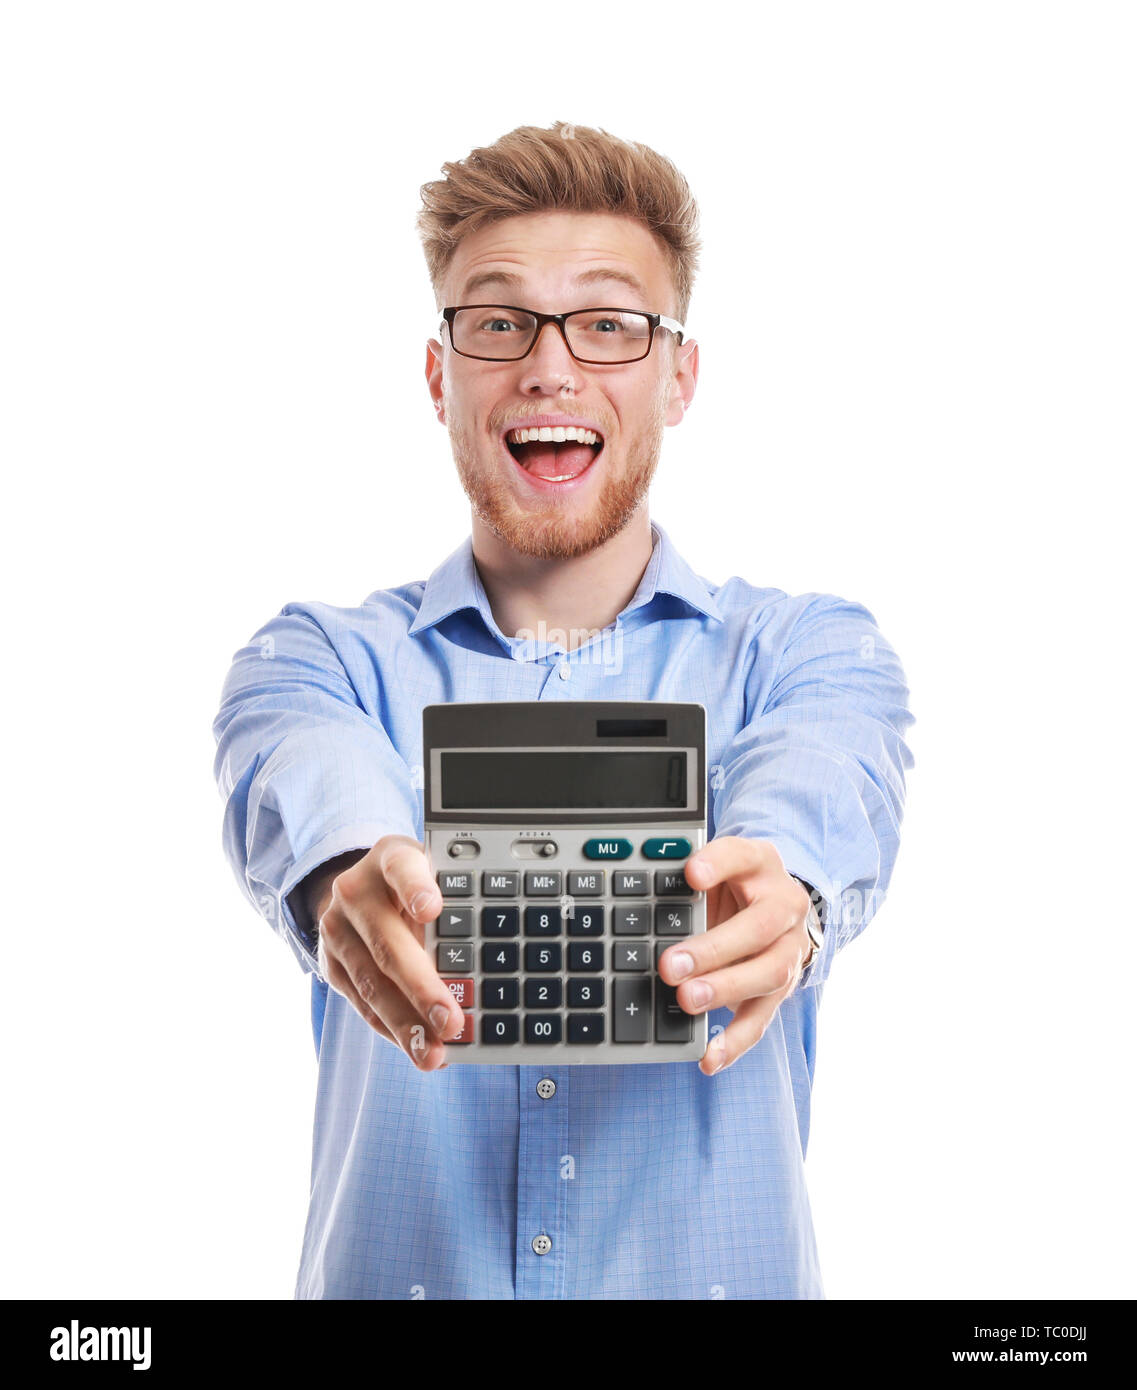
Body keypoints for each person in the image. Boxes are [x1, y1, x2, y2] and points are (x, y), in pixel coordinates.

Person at [212, 121, 915, 1300]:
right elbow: (307, 776)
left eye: (608, 323)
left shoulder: (808, 652)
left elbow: (824, 773)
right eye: (499, 323)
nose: (550, 367)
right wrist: (355, 878)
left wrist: (785, 890)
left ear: (677, 375)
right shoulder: (318, 662)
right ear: (441, 374)